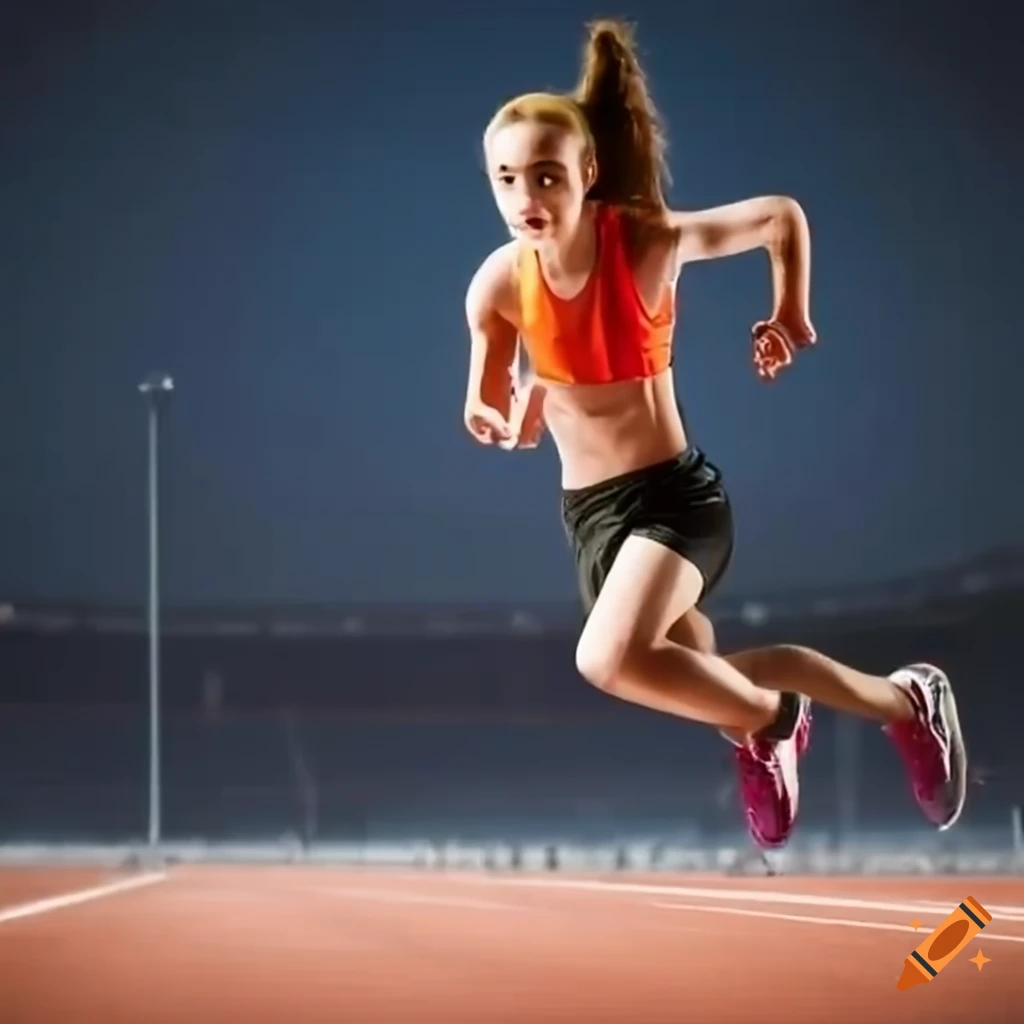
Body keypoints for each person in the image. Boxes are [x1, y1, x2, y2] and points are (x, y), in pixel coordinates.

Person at [462, 19, 967, 849]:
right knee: (709, 680)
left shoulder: (646, 245)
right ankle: (905, 701)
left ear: (587, 174)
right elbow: (496, 401)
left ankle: (774, 725)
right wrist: (499, 413)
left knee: (607, 660)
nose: (526, 199)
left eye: (546, 178)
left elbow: (778, 218)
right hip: (591, 524)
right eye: (507, 179)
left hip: (675, 502)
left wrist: (789, 314)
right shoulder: (497, 285)